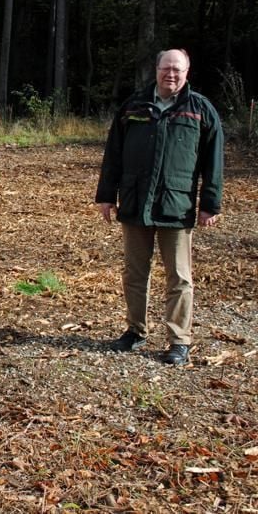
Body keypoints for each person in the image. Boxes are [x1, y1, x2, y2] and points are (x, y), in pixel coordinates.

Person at [96, 48, 224, 366]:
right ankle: (135, 331)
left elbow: (214, 162)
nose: (171, 74)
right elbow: (113, 153)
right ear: (156, 69)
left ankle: (179, 340)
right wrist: (106, 195)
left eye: (177, 69)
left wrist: (210, 203)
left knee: (179, 277)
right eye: (166, 68)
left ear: (187, 72)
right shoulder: (134, 106)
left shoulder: (200, 110)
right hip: (136, 202)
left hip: (176, 206)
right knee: (134, 273)